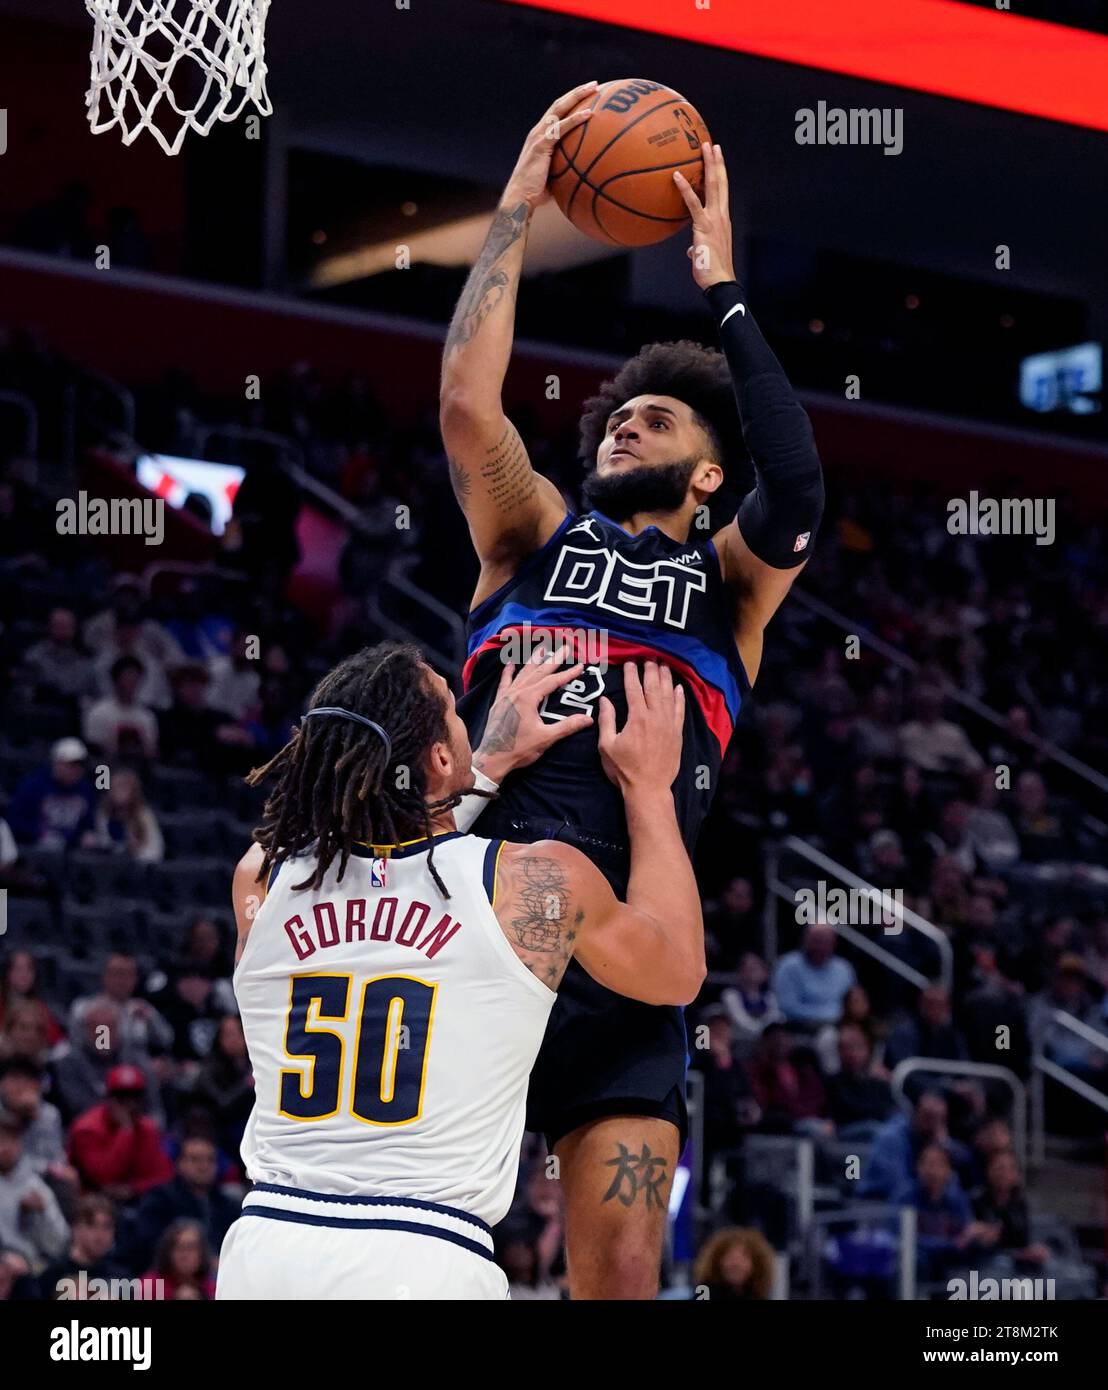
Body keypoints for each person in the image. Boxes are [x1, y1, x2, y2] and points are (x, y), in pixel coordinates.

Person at [441, 90, 823, 1298]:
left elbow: (800, 489)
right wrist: (517, 202)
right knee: (416, 1261)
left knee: (621, 1282)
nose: (617, 428)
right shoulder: (530, 534)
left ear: (708, 472)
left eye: (651, 420)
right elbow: (465, 403)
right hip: (483, 939)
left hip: (632, 973)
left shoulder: (729, 590)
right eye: (611, 420)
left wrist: (723, 287)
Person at [216, 642, 704, 1300]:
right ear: (440, 758)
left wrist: (489, 761)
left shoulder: (264, 876)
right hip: (424, 1257)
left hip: (265, 1249)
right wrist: (651, 790)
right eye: (453, 708)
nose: (467, 718)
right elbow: (675, 969)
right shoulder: (535, 884)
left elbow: (389, 862)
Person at [130, 1136, 240, 1271]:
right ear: (179, 1164)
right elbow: (149, 1244)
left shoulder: (228, 1204)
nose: (204, 1166)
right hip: (169, 1276)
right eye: (195, 1159)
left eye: (210, 1160)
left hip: (221, 1274)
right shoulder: (159, 1199)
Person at [66, 1064, 173, 1202]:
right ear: (108, 1099)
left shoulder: (147, 1129)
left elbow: (164, 1177)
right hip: (92, 1202)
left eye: (135, 1097)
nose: (130, 1104)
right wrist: (125, 1131)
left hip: (138, 1200)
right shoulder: (87, 1129)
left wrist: (133, 1189)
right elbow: (104, 1179)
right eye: (121, 1098)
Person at [0, 1117, 69, 1271]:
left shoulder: (36, 1187)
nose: (5, 1148)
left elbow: (60, 1244)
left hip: (31, 1268)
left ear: (20, 1145)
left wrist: (42, 1212)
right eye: (1, 1141)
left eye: (12, 1140)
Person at [6, 739, 97, 850]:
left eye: (80, 765)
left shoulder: (85, 790)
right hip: (36, 851)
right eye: (71, 765)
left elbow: (88, 823)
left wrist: (87, 835)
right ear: (57, 763)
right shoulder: (33, 787)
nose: (77, 770)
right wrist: (40, 834)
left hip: (71, 852)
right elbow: (16, 822)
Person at [36, 1194, 130, 1299]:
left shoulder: (122, 1278)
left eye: (107, 1226)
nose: (100, 1234)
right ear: (75, 1229)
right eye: (91, 1225)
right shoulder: (52, 1275)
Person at [773, 925, 857, 1031]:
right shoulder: (787, 966)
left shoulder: (844, 968)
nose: (821, 946)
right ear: (805, 940)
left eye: (826, 941)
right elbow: (786, 1007)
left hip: (839, 1028)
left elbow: (853, 1005)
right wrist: (828, 1016)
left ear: (834, 944)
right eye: (817, 940)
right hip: (798, 1029)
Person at [83, 655, 160, 760]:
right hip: (106, 766)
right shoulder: (99, 711)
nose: (131, 683)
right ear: (116, 679)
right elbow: (93, 748)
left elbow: (151, 750)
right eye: (127, 678)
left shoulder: (146, 716)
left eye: (135, 678)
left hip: (139, 768)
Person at [91, 769, 164, 861]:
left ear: (133, 792)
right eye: (114, 788)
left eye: (123, 788)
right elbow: (103, 841)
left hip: (137, 866)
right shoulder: (104, 812)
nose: (118, 792)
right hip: (108, 865)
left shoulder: (144, 814)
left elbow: (156, 850)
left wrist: (136, 852)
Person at [691, 1227, 776, 1301]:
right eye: (730, 1257)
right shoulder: (704, 1292)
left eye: (743, 1258)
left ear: (757, 1264)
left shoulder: (758, 1295)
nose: (735, 1264)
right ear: (717, 1261)